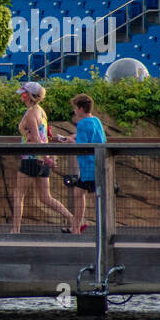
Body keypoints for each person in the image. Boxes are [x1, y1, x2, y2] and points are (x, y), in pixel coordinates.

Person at [10, 81, 73, 233]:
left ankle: (15, 230)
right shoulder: (41, 112)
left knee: (18, 194)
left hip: (32, 157)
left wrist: (46, 158)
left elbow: (38, 139)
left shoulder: (31, 113)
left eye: (23, 93)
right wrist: (47, 157)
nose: (21, 96)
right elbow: (45, 136)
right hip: (42, 160)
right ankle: (74, 219)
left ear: (28, 96)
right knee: (45, 197)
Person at [56, 92, 106, 234]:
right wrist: (75, 136)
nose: (74, 111)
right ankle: (76, 227)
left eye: (75, 108)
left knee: (92, 195)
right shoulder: (96, 120)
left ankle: (96, 227)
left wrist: (71, 140)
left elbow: (82, 145)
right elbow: (96, 138)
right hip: (96, 163)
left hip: (89, 167)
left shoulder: (82, 123)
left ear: (81, 109)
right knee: (79, 192)